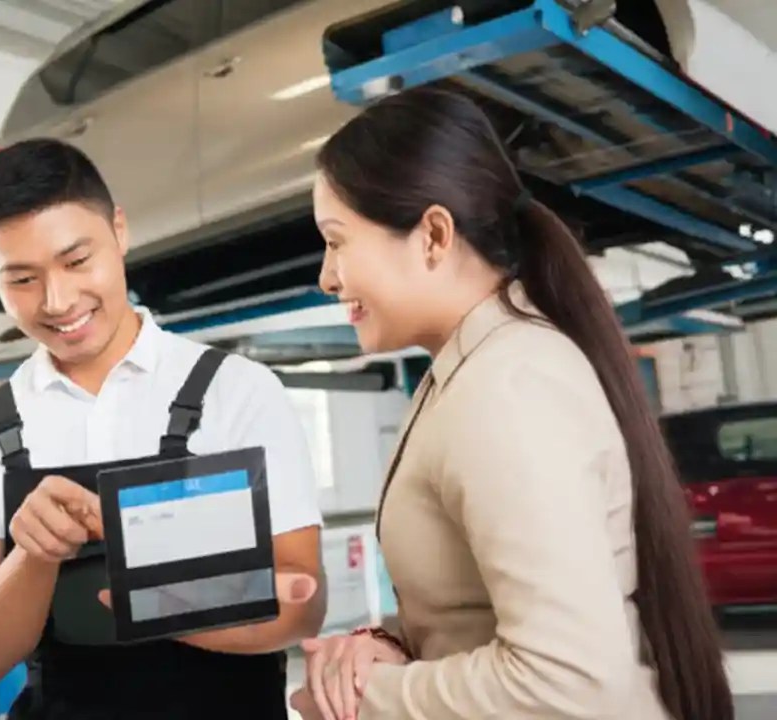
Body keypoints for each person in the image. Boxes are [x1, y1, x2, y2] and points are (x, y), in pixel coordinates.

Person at [289, 87, 733, 720]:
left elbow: (569, 682)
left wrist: (360, 699)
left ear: (433, 235)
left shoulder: (506, 386)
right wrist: (386, 644)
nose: (327, 277)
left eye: (337, 241)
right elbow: (470, 607)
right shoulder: (469, 371)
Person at [0, 138, 327, 719]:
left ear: (119, 231)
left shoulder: (238, 391)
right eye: (21, 280)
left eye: (77, 261)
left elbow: (303, 603)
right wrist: (34, 556)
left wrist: (141, 573)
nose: (58, 299)